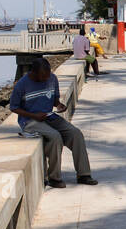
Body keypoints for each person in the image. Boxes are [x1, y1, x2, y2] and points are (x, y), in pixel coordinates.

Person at [9, 57, 97, 188]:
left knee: (76, 134)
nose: (46, 79)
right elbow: (14, 107)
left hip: (49, 116)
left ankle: (84, 174)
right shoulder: (22, 84)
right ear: (33, 72)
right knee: (55, 137)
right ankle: (54, 178)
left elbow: (54, 99)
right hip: (30, 120)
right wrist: (34, 115)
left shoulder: (52, 78)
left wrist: (59, 105)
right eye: (43, 76)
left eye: (48, 75)